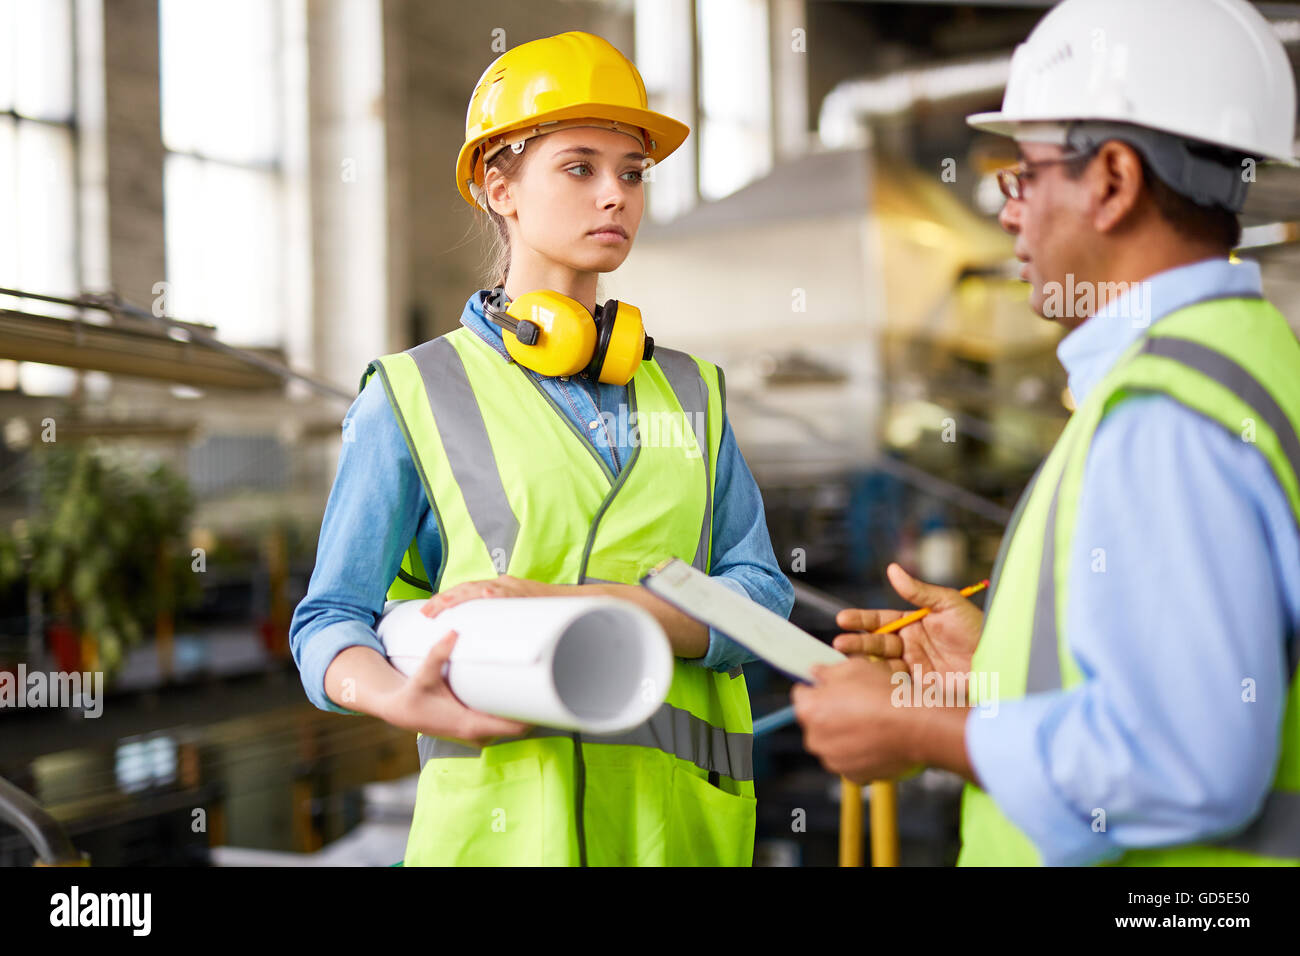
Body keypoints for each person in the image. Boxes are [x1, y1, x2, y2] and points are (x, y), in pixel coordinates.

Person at [793, 0, 1300, 866]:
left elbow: (1187, 763)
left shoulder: (1165, 409)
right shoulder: (1243, 361)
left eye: (1023, 175)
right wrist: (997, 671)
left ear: (1111, 180)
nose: (1007, 212)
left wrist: (924, 731)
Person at [290, 30, 793, 866]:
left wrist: (611, 611)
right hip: (504, 841)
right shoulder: (414, 394)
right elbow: (328, 620)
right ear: (501, 186)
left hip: (682, 841)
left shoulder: (693, 391)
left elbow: (763, 601)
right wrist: (397, 697)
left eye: (632, 173)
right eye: (580, 167)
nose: (615, 197)